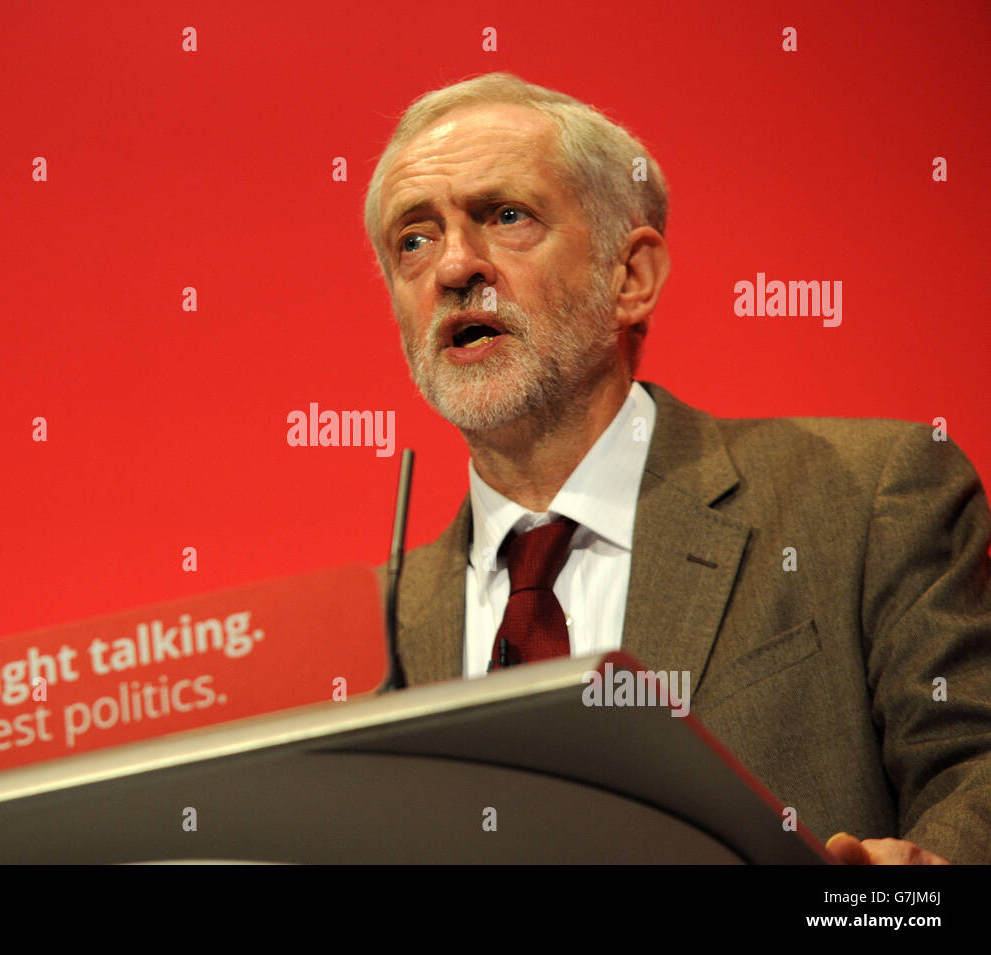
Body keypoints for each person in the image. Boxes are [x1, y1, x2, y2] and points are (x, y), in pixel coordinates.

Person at [365, 72, 991, 864]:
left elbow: (976, 770)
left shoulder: (870, 496)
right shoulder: (374, 637)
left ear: (631, 279)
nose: (454, 267)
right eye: (412, 240)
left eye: (505, 216)